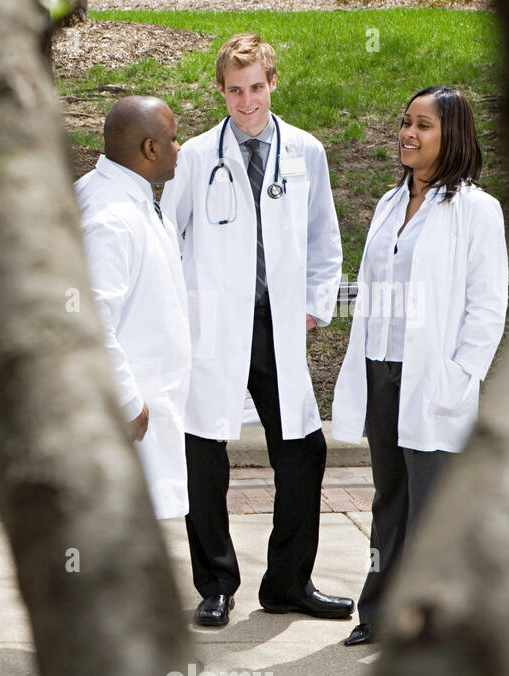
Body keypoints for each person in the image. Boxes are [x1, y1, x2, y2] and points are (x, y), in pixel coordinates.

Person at [160, 33, 351, 627]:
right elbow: (168, 236)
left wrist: (316, 306)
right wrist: (175, 317)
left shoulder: (305, 151)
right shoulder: (194, 156)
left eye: (257, 87)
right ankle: (215, 583)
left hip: (277, 322)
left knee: (302, 450)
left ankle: (288, 582)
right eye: (235, 90)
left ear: (273, 83)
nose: (247, 101)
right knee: (202, 449)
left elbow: (324, 236)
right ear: (221, 90)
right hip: (212, 325)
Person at [331, 86, 507, 646]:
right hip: (383, 368)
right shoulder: (389, 203)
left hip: (433, 375)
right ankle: (378, 612)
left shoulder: (476, 210)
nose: (408, 133)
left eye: (423, 126)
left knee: (432, 506)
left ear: (450, 135)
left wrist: (461, 373)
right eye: (405, 122)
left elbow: (487, 305)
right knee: (390, 498)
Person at [74, 95, 191, 520]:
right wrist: (127, 403)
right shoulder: (109, 217)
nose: (180, 148)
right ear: (149, 149)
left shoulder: (121, 196)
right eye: (173, 139)